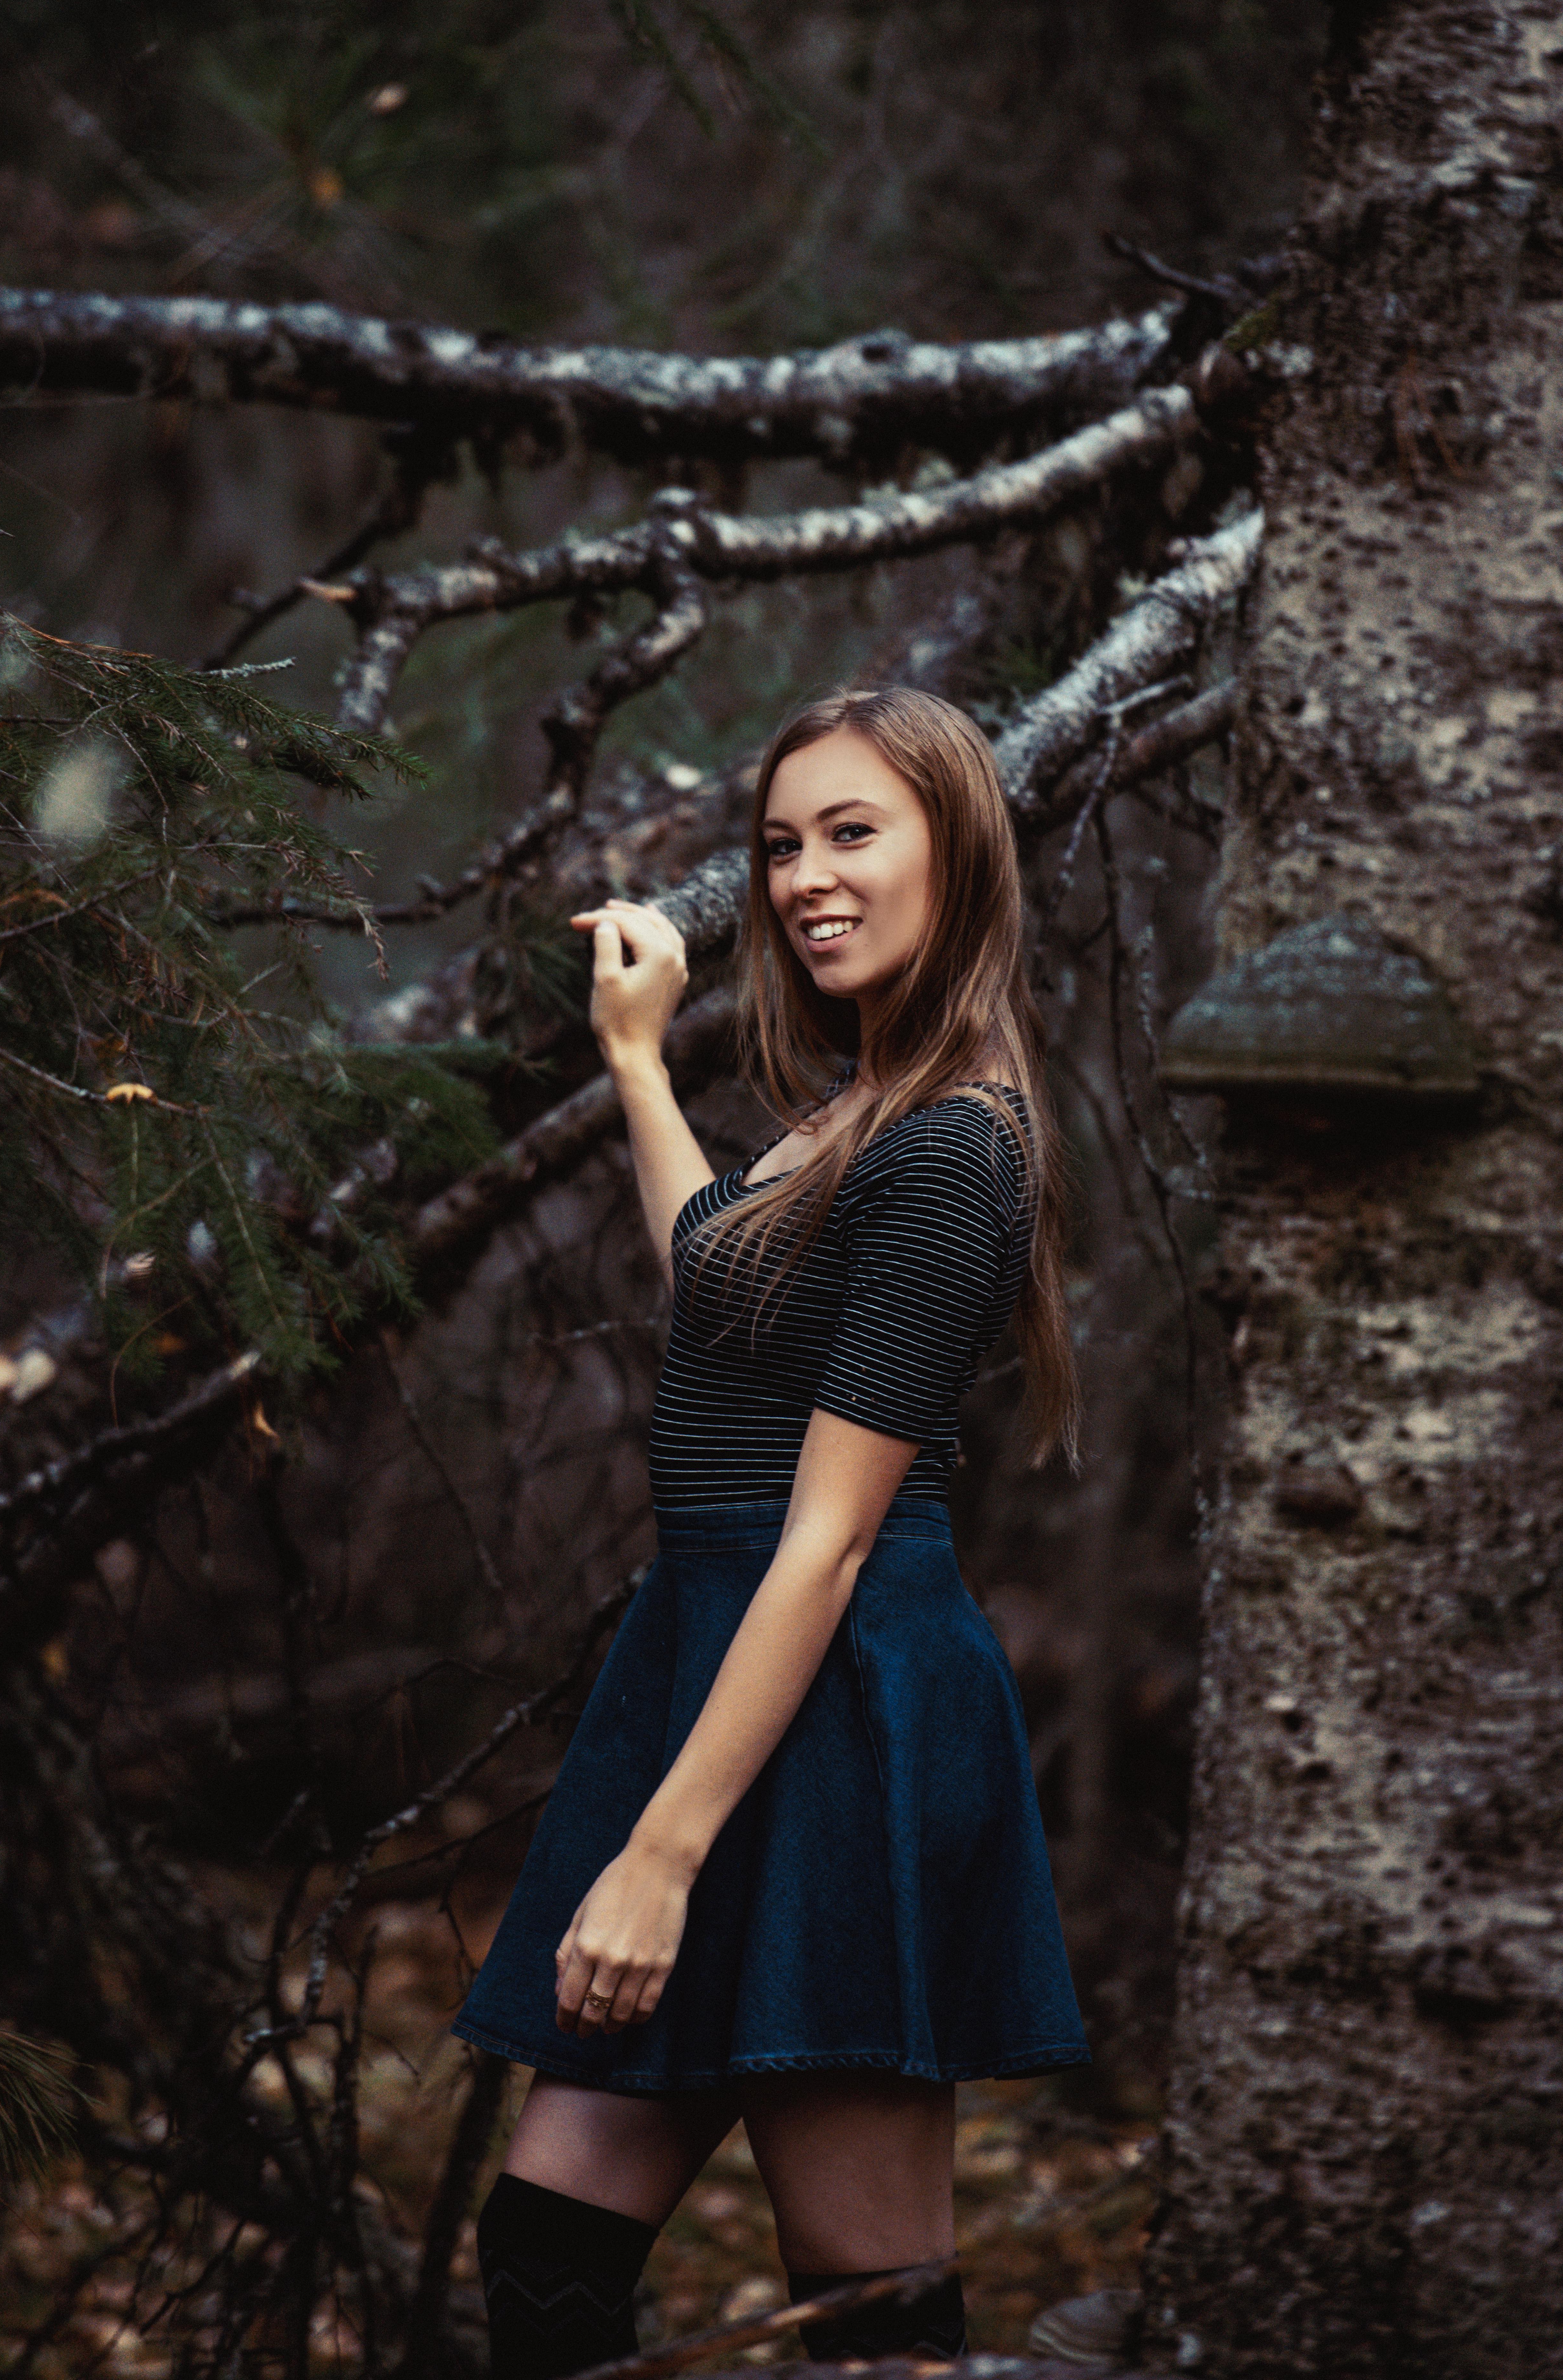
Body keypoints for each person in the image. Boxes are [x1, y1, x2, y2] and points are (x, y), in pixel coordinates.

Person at [451, 686, 1087, 2376]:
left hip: (836, 1697)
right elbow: (719, 1284)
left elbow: (825, 1543)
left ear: (956, 849)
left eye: (852, 833)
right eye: (781, 843)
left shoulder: (952, 1143)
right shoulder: (862, 1113)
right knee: (550, 2242)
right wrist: (637, 1062)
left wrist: (656, 1863)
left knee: (867, 2304)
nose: (805, 878)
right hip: (725, 1666)